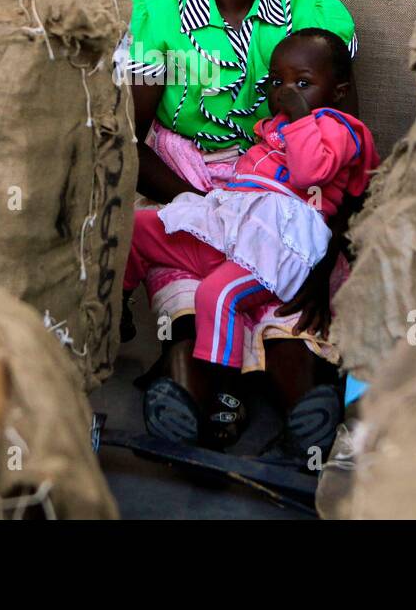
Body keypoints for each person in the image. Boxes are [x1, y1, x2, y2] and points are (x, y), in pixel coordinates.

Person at [121, 0, 364, 456]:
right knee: (185, 284)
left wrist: (326, 239)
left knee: (292, 286)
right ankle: (190, 394)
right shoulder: (157, 18)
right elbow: (130, 141)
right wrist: (206, 206)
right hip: (185, 177)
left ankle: (300, 408)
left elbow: (344, 142)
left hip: (290, 184)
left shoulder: (319, 18)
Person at [125, 29, 378, 447]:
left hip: (280, 237)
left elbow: (310, 173)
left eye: (302, 83)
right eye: (277, 82)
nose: (286, 93)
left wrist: (299, 120)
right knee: (143, 228)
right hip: (235, 220)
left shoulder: (339, 127)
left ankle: (225, 394)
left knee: (217, 297)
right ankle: (114, 307)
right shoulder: (275, 129)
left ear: (339, 91)